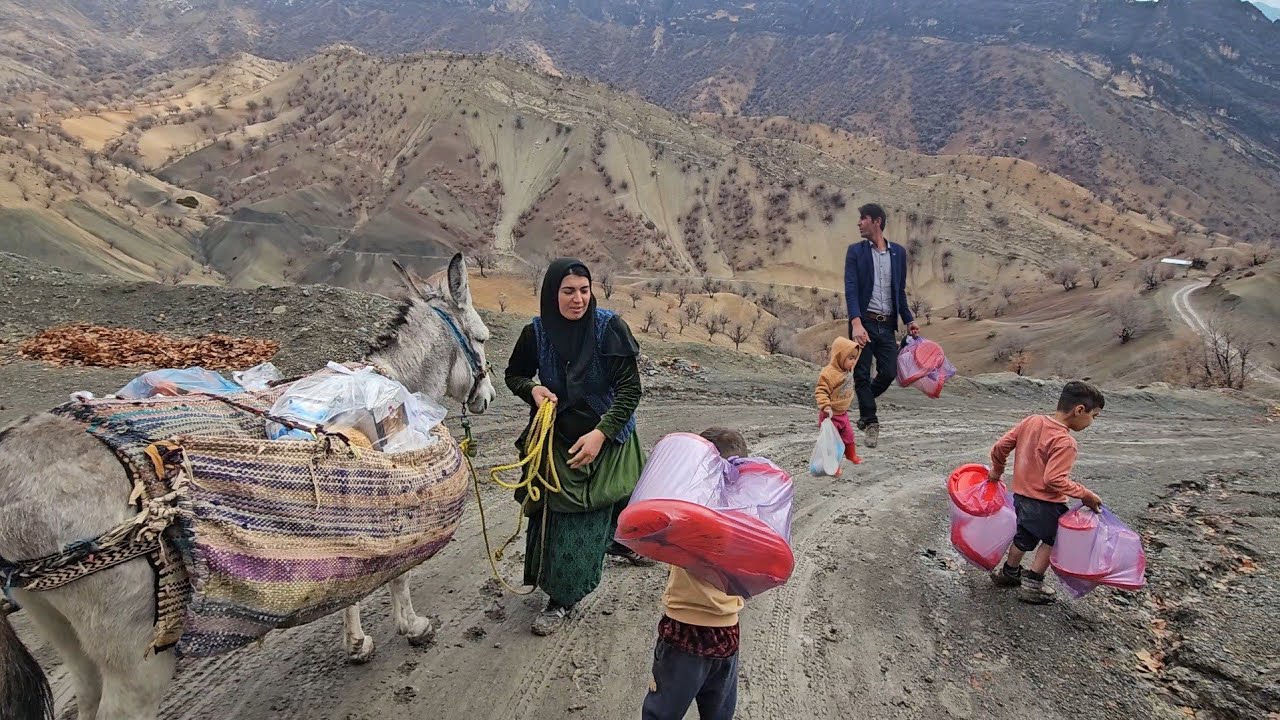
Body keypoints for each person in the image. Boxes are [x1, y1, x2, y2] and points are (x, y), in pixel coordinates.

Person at [505, 258, 650, 637]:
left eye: (584, 290)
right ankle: (563, 583)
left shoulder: (609, 329)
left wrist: (601, 434)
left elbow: (630, 390)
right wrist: (531, 389)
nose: (578, 299)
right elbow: (515, 374)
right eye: (568, 291)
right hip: (557, 438)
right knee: (560, 517)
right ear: (552, 294)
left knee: (599, 511)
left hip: (607, 435)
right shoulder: (535, 334)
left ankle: (563, 599)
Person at [641, 427, 749, 720]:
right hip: (727, 632)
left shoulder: (687, 516)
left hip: (684, 631)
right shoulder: (747, 521)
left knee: (662, 712)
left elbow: (647, 533)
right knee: (718, 713)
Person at [987, 381, 1106, 604]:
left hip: (1021, 497)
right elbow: (1054, 480)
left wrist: (997, 470)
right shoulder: (1065, 441)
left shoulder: (1032, 421)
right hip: (1046, 503)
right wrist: (1085, 494)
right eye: (1095, 416)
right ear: (1079, 410)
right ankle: (1033, 585)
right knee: (1054, 540)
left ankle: (1009, 573)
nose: (1092, 422)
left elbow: (1000, 447)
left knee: (1024, 536)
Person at [843, 202, 919, 448]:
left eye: (863, 218)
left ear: (877, 221)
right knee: (862, 375)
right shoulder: (855, 252)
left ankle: (866, 403)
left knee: (889, 372)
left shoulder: (898, 253)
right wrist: (856, 324)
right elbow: (851, 289)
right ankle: (871, 421)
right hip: (863, 322)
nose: (858, 223)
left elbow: (900, 291)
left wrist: (909, 319)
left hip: (886, 325)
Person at [814, 336, 864, 473]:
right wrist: (825, 405)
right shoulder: (829, 374)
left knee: (849, 435)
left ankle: (851, 454)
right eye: (850, 358)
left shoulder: (848, 369)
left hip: (843, 413)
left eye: (855, 358)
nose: (853, 362)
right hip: (829, 416)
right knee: (831, 443)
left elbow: (855, 355)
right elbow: (821, 391)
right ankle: (832, 465)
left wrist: (860, 346)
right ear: (840, 357)